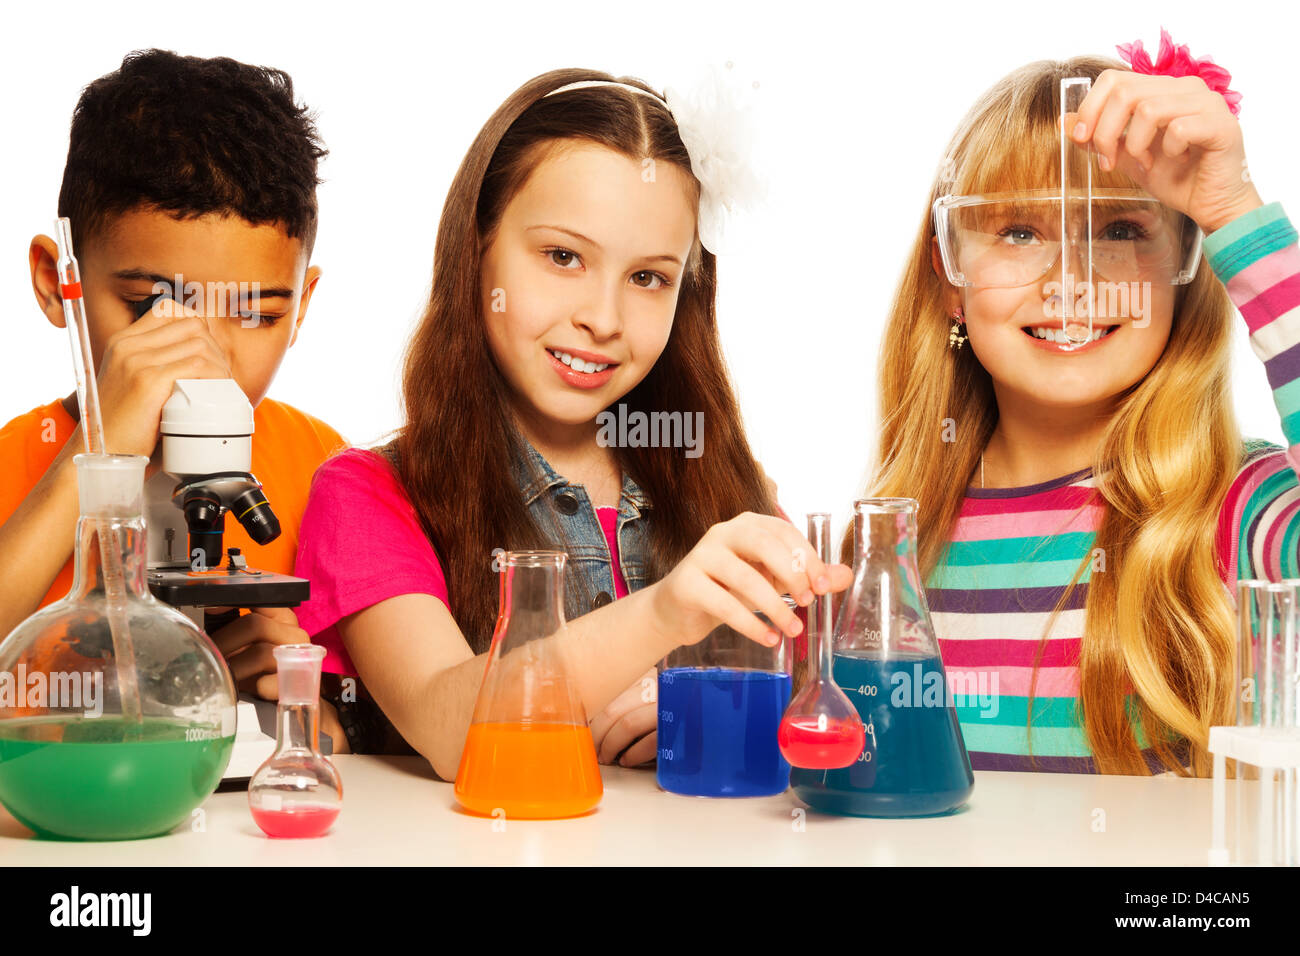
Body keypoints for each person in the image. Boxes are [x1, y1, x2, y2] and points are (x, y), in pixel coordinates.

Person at [294, 68, 847, 776]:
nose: (604, 319)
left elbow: (819, 717)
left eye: (649, 278)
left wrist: (714, 713)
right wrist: (660, 619)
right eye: (563, 257)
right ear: (477, 250)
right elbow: (446, 725)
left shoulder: (729, 489)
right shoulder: (368, 496)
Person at [866, 39, 1295, 774]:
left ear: (1185, 272)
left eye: (1121, 230)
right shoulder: (888, 547)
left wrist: (1234, 212)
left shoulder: (1238, 507)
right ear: (951, 277)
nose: (1070, 282)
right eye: (1020, 231)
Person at [0, 49, 345, 743]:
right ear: (55, 280)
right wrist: (95, 452)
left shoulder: (328, 471)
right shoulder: (17, 462)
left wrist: (312, 711)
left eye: (255, 313)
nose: (203, 356)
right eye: (152, 306)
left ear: (301, 305)